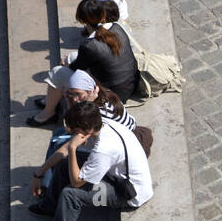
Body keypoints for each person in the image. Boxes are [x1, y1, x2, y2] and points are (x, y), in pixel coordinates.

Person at [29, 101, 153, 221]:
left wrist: (73, 149)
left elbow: (76, 182)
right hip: (118, 178)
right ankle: (51, 206)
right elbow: (65, 149)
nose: (69, 132)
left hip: (128, 193)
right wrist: (40, 173)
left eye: (72, 130)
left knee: (70, 194)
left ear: (85, 130)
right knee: (66, 165)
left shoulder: (104, 149)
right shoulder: (103, 124)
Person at [30, 68, 141, 198]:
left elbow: (70, 129)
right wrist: (70, 100)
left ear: (90, 90)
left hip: (122, 141)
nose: (75, 99)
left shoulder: (98, 112)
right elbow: (72, 125)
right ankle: (47, 182)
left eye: (78, 94)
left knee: (60, 143)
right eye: (71, 94)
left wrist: (39, 172)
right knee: (58, 136)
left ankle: (47, 185)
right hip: (113, 134)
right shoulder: (101, 96)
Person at [29, 0, 139, 126]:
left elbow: (77, 68)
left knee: (57, 72)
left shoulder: (89, 45)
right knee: (72, 57)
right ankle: (51, 99)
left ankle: (47, 114)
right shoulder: (117, 27)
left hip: (110, 92)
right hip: (130, 84)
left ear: (83, 20)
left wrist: (66, 65)